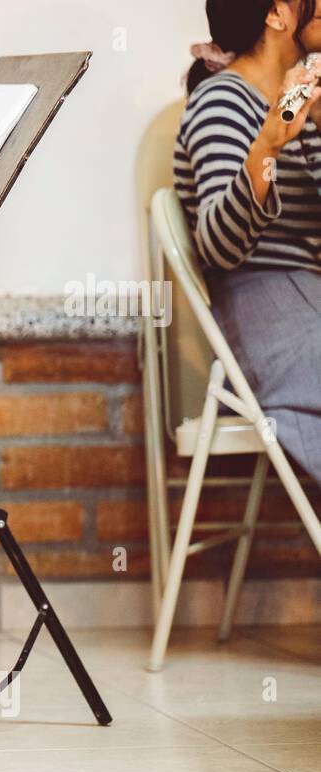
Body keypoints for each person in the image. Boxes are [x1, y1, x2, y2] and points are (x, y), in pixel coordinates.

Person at [176, 0, 321, 484]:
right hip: (263, 304)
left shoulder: (305, 100)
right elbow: (218, 249)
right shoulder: (222, 100)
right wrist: (266, 147)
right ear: (278, 14)